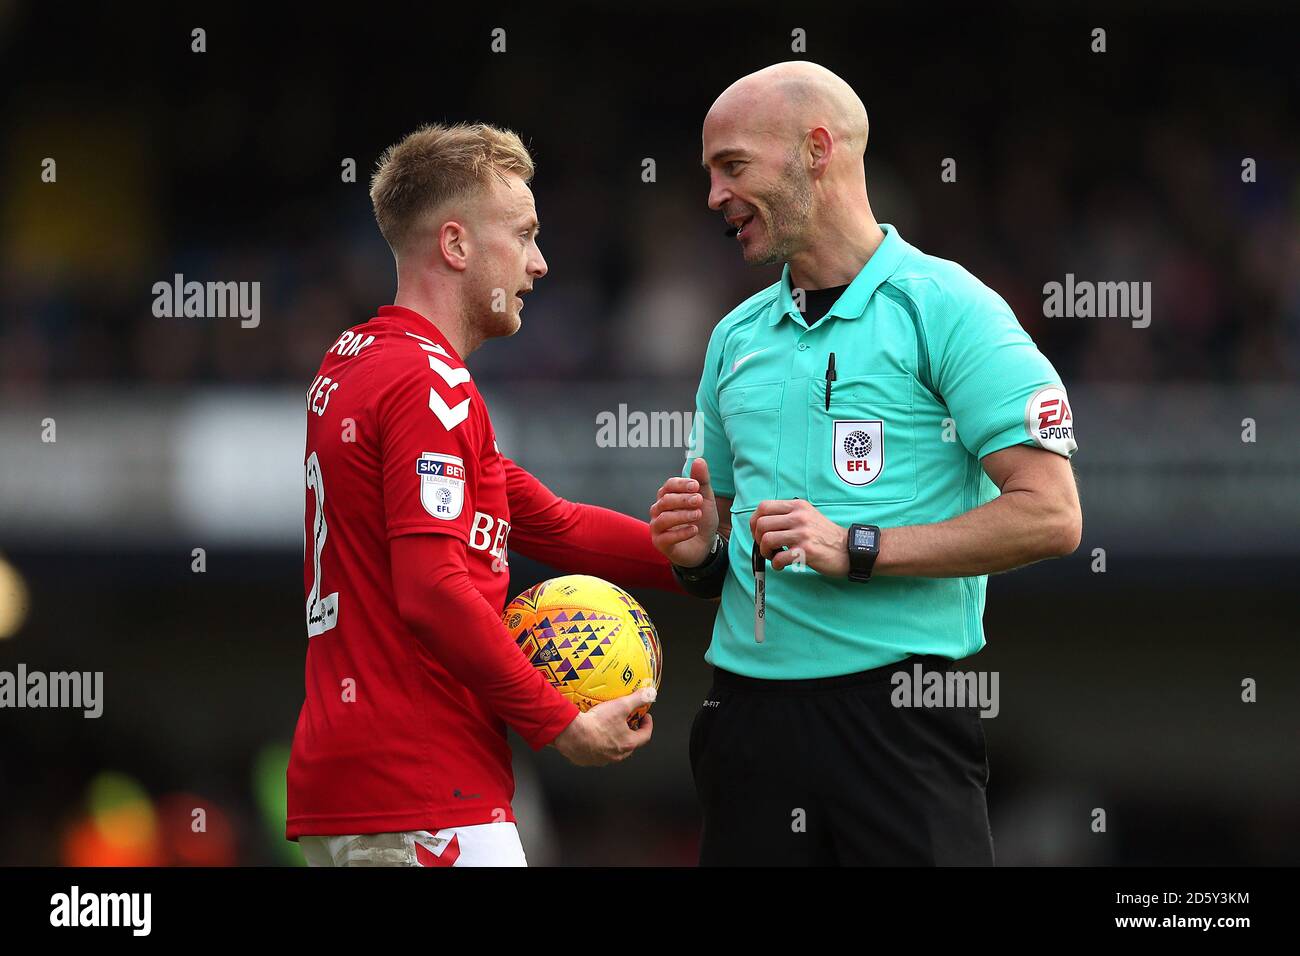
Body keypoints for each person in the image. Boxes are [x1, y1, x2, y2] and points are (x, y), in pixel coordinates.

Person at [650, 62, 1082, 865]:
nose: (713, 196)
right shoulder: (734, 337)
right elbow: (722, 548)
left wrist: (858, 546)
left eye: (732, 167)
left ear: (816, 151)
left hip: (900, 718)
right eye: (709, 173)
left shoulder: (949, 309)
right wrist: (699, 551)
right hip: (745, 720)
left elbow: (1052, 515)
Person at [289, 123, 676, 867]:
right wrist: (561, 724)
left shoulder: (355, 360)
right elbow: (432, 591)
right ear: (458, 246)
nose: (539, 263)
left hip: (350, 788)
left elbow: (550, 522)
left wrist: (717, 565)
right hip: (427, 789)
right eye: (524, 235)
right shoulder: (430, 384)